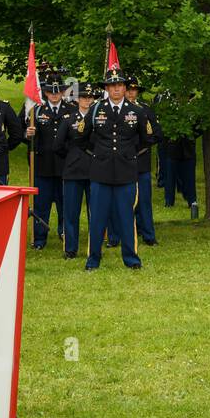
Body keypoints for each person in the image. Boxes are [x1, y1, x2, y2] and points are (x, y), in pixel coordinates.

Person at [77, 70, 153, 270]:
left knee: (126, 217)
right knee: (98, 219)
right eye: (112, 85)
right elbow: (81, 138)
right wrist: (97, 154)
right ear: (106, 88)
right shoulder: (96, 109)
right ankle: (93, 260)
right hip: (100, 172)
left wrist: (129, 154)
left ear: (125, 88)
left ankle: (131, 259)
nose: (116, 88)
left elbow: (147, 140)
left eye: (120, 85)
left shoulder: (136, 111)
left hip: (126, 172)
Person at [25, 74, 70, 249]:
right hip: (42, 165)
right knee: (41, 204)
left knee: (64, 203)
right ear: (45, 92)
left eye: (58, 91)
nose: (54, 94)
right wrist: (27, 134)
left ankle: (64, 232)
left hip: (64, 165)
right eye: (51, 91)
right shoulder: (35, 110)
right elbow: (22, 134)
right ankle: (39, 238)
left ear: (63, 92)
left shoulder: (70, 109)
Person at [55, 83, 97, 259]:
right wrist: (73, 155)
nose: (87, 100)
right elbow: (57, 145)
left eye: (90, 97)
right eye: (84, 97)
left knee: (95, 212)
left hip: (95, 170)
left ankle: (94, 248)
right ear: (78, 99)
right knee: (71, 212)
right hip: (73, 171)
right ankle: (70, 249)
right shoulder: (69, 119)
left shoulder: (99, 119)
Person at [126, 76, 161, 243]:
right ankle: (119, 235)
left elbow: (156, 134)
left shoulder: (146, 110)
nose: (131, 92)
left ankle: (148, 235)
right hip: (121, 162)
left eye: (134, 89)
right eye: (129, 89)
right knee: (123, 201)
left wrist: (143, 146)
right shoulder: (117, 110)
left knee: (144, 201)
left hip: (141, 160)